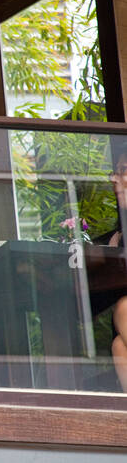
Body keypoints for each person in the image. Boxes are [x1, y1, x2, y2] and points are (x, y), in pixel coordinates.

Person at [104, 150, 127, 391]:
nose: (114, 179)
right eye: (115, 172)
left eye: (123, 171)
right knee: (119, 347)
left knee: (124, 308)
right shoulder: (118, 236)